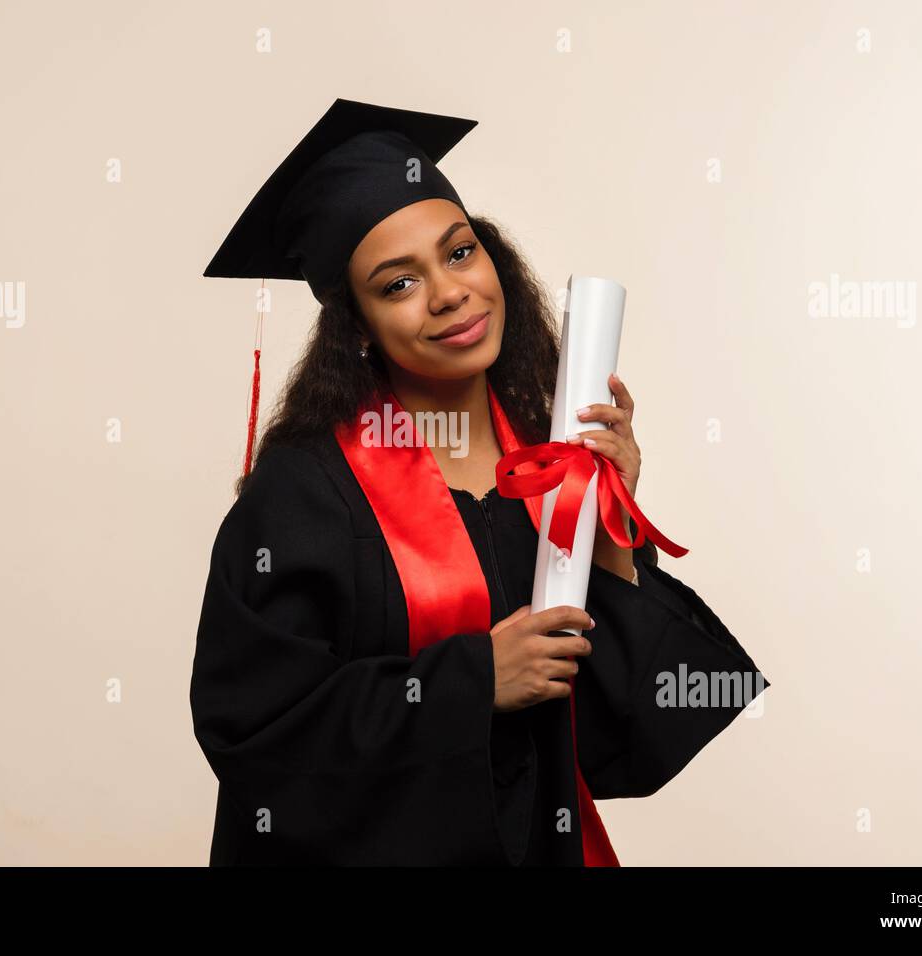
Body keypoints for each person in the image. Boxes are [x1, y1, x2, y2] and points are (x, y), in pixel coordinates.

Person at [191, 98, 770, 866]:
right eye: (399, 284)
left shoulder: (544, 461)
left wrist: (608, 530)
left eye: (459, 253)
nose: (449, 293)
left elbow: (607, 737)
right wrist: (471, 684)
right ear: (356, 325)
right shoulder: (302, 496)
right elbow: (257, 737)